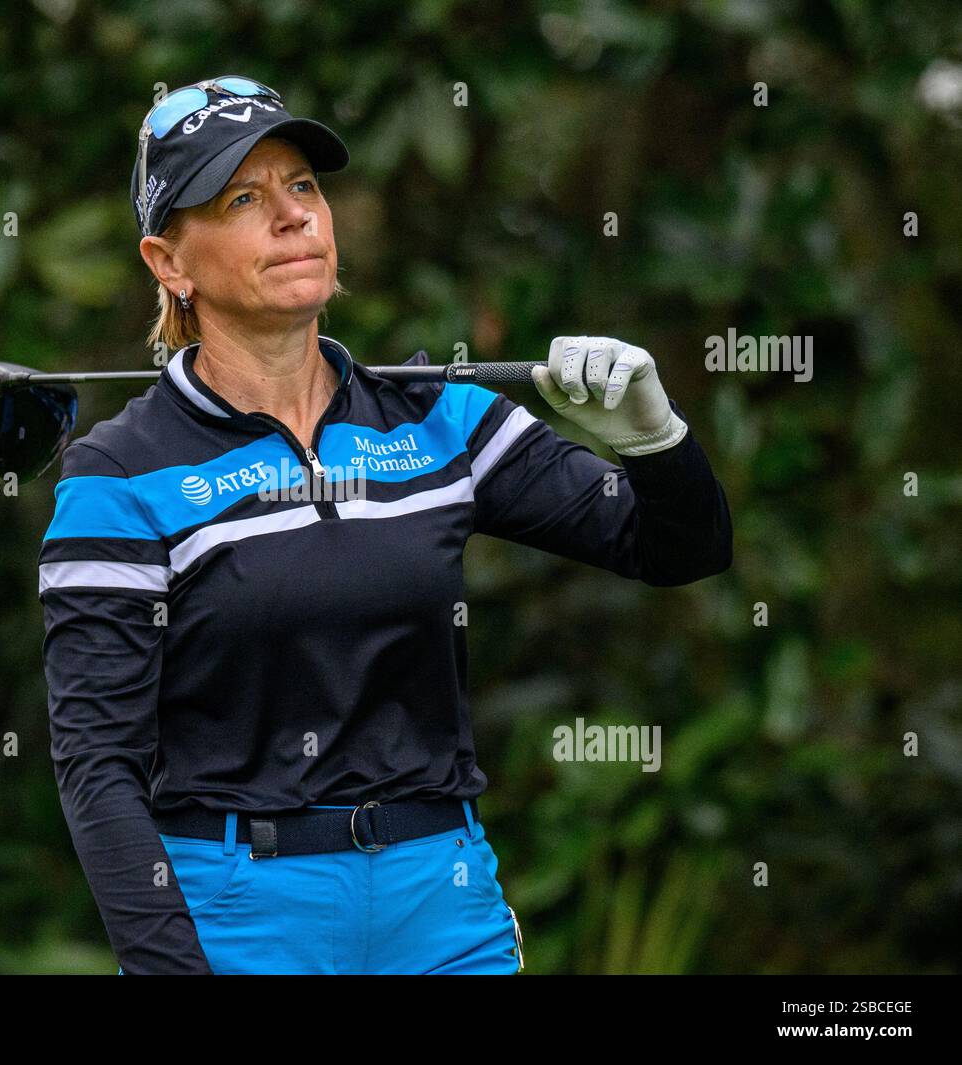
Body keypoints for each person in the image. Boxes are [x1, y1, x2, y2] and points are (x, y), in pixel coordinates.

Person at [38, 75, 733, 975]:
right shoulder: (120, 477)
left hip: (442, 907)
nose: (292, 217)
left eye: (304, 187)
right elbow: (99, 771)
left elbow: (680, 548)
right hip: (239, 914)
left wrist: (655, 440)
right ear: (168, 262)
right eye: (243, 198)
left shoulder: (438, 421)